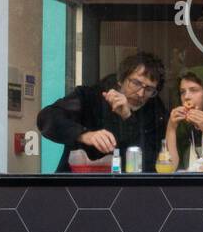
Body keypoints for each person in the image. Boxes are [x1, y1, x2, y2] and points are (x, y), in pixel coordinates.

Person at [37, 52, 168, 172]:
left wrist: (128, 117)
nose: (140, 93)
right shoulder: (90, 97)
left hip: (129, 190)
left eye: (149, 89)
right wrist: (84, 134)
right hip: (77, 186)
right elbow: (46, 118)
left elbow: (152, 166)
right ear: (121, 80)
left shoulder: (157, 115)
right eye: (136, 83)